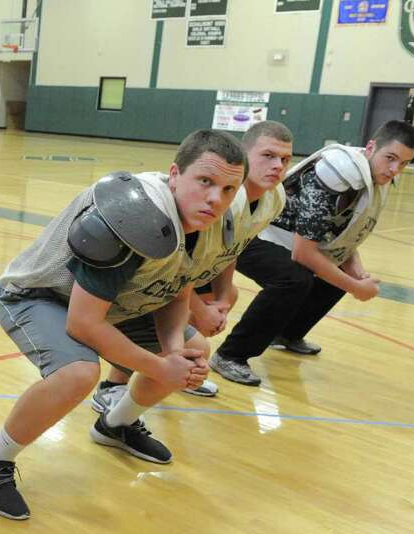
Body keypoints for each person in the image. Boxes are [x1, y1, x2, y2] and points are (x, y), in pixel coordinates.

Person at [0, 130, 245, 520]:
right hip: (40, 295)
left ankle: (116, 425)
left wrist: (175, 352)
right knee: (78, 372)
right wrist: (161, 367)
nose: (217, 198)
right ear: (175, 174)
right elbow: (83, 324)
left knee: (193, 350)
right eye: (206, 181)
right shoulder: (135, 214)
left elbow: (176, 289)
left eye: (230, 188)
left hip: (117, 305)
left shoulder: (209, 222)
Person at [90, 121, 294, 411]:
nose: (278, 166)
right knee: (164, 321)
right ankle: (115, 384)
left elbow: (233, 247)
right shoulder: (221, 202)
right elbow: (178, 273)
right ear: (244, 156)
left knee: (208, 316)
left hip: (200, 268)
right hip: (173, 270)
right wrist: (200, 308)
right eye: (268, 156)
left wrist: (224, 294)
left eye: (285, 160)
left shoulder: (275, 198)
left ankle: (177, 372)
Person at [209, 120, 414, 385]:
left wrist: (358, 275)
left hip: (285, 239)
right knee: (294, 278)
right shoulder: (337, 174)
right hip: (255, 233)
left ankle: (287, 333)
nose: (394, 169)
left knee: (336, 274)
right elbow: (303, 254)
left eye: (404, 163)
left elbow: (343, 237)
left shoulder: (373, 177)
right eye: (391, 158)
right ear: (371, 147)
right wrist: (356, 287)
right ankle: (230, 355)